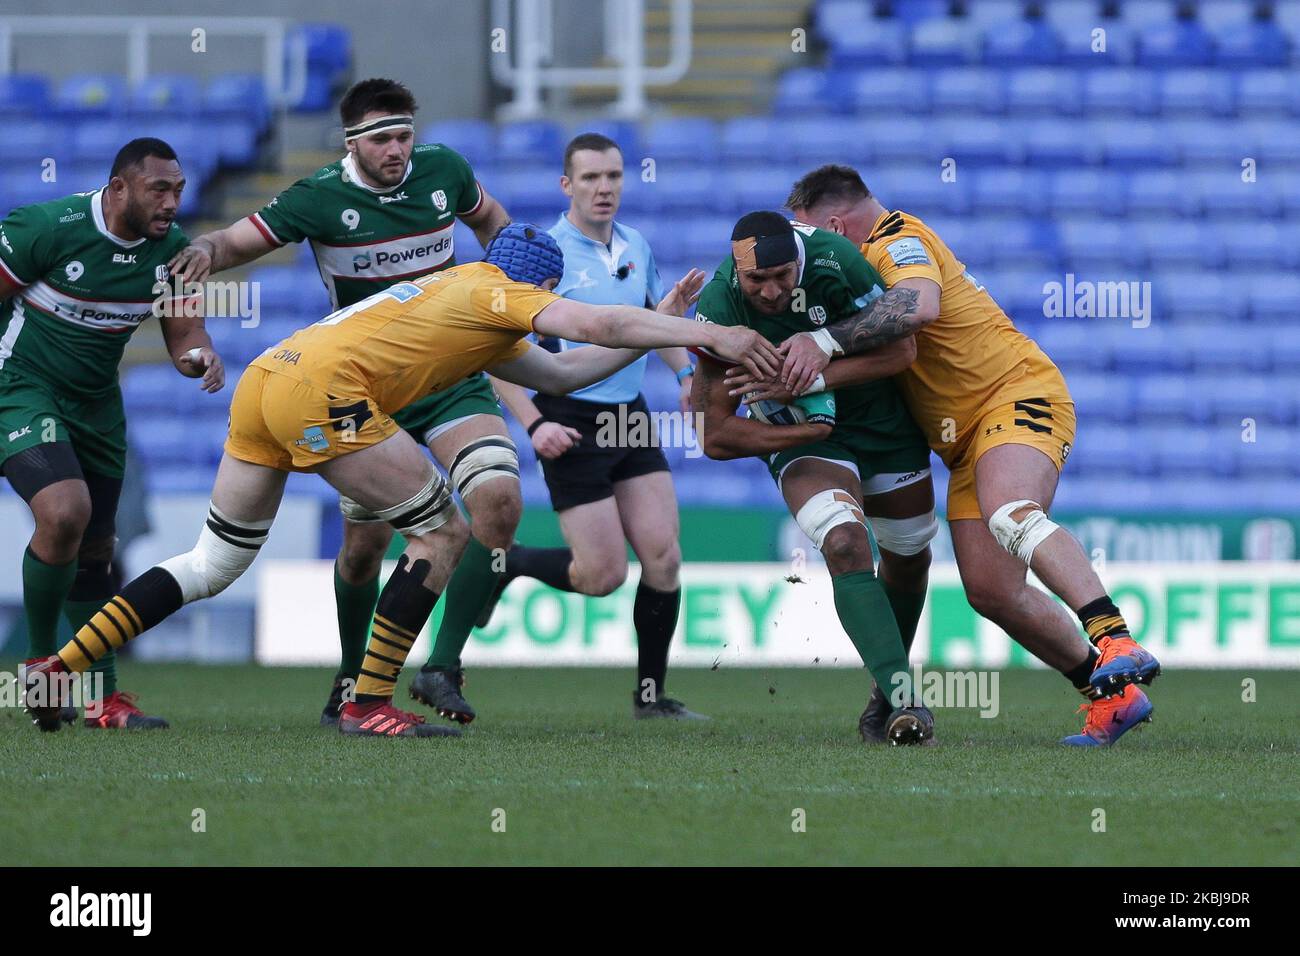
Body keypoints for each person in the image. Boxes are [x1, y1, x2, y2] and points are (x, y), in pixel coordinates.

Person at [24, 224, 779, 739]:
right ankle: (369, 701)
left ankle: (58, 668)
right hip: (323, 393)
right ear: (538, 284)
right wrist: (710, 332)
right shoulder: (497, 292)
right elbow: (597, 329)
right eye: (543, 300)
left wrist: (659, 317)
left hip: (267, 380)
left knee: (212, 563)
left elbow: (561, 370)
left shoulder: (459, 296)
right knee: (444, 530)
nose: (542, 314)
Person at [751, 164, 1159, 746]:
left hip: (1015, 394)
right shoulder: (857, 269)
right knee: (991, 590)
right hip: (965, 438)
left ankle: (1114, 635)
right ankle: (1113, 697)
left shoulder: (897, 239)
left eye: (809, 237)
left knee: (1010, 511)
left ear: (836, 224)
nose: (806, 257)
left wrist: (823, 342)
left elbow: (918, 308)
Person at [167, 77, 519, 727]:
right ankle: (352, 678)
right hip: (366, 388)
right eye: (382, 139)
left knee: (498, 498)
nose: (397, 150)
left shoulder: (444, 172)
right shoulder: (319, 197)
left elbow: (492, 220)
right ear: (352, 142)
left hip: (447, 375)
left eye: (404, 135)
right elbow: (234, 243)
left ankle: (442, 665)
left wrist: (508, 270)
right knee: (364, 549)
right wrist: (200, 252)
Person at [463, 132, 707, 721]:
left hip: (629, 419)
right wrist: (533, 423)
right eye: (592, 178)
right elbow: (495, 353)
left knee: (665, 558)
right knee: (601, 577)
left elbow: (653, 326)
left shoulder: (636, 245)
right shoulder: (542, 253)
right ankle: (513, 562)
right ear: (566, 185)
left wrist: (684, 376)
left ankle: (651, 698)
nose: (605, 188)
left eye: (614, 177)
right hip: (567, 420)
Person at [0, 138, 224, 730]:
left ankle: (104, 697)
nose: (173, 202)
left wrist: (199, 356)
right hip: (20, 385)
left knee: (99, 552)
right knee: (64, 512)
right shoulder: (46, 228)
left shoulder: (173, 254)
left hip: (98, 406)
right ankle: (40, 665)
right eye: (160, 189)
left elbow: (184, 334)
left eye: (178, 189)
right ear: (119, 187)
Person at [694, 212, 937, 745]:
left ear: (798, 260)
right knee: (846, 542)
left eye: (782, 275)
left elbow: (903, 349)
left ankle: (883, 690)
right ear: (737, 271)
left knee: (909, 552)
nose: (772, 290)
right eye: (757, 280)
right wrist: (802, 433)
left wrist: (818, 365)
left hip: (883, 424)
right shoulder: (718, 307)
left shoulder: (836, 260)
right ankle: (904, 698)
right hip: (810, 440)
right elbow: (714, 437)